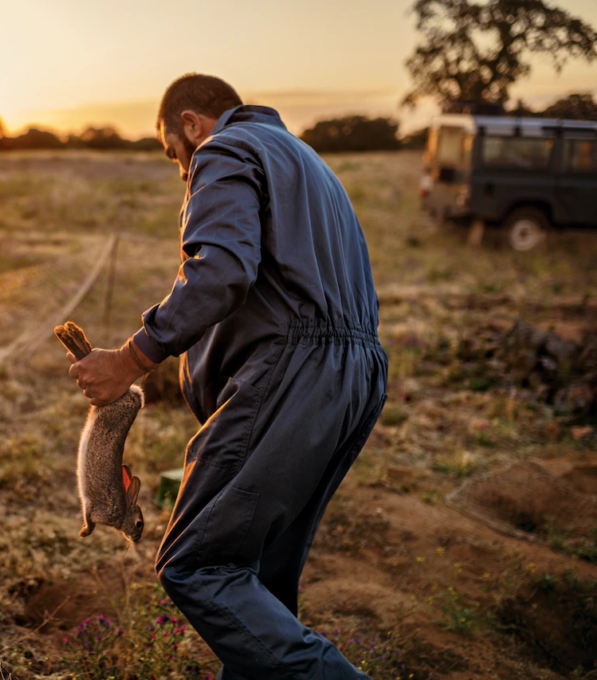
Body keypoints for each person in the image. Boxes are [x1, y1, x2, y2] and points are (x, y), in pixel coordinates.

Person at [66, 73, 388, 679]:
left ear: (190, 125)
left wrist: (130, 360)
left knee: (197, 563)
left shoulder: (225, 148)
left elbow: (221, 272)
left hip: (295, 375)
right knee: (257, 588)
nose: (182, 172)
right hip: (354, 378)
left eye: (172, 156)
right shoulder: (310, 164)